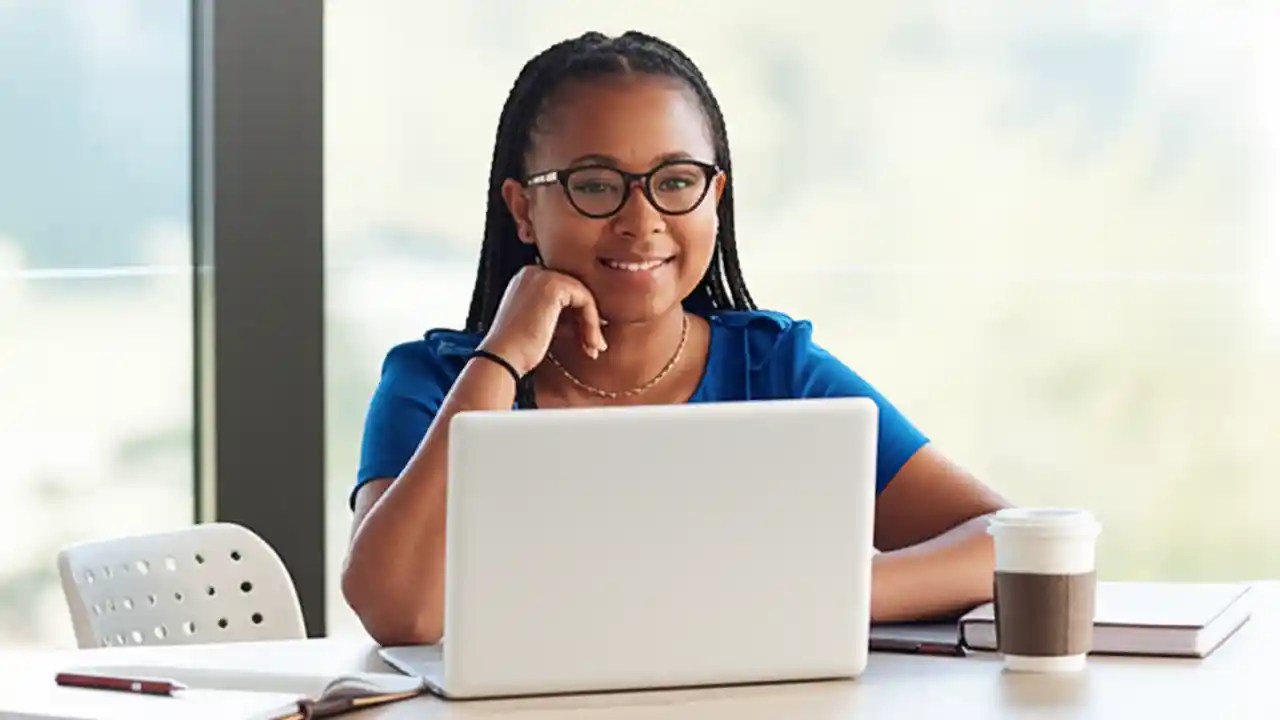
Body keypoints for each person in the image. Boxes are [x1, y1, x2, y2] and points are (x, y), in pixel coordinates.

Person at [343, 30, 1011, 646]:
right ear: (523, 209)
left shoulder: (774, 371)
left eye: (676, 182)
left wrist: (815, 594)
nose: (642, 221)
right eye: (595, 185)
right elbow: (400, 612)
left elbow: (1010, 541)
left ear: (714, 197)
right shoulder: (436, 383)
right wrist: (501, 357)